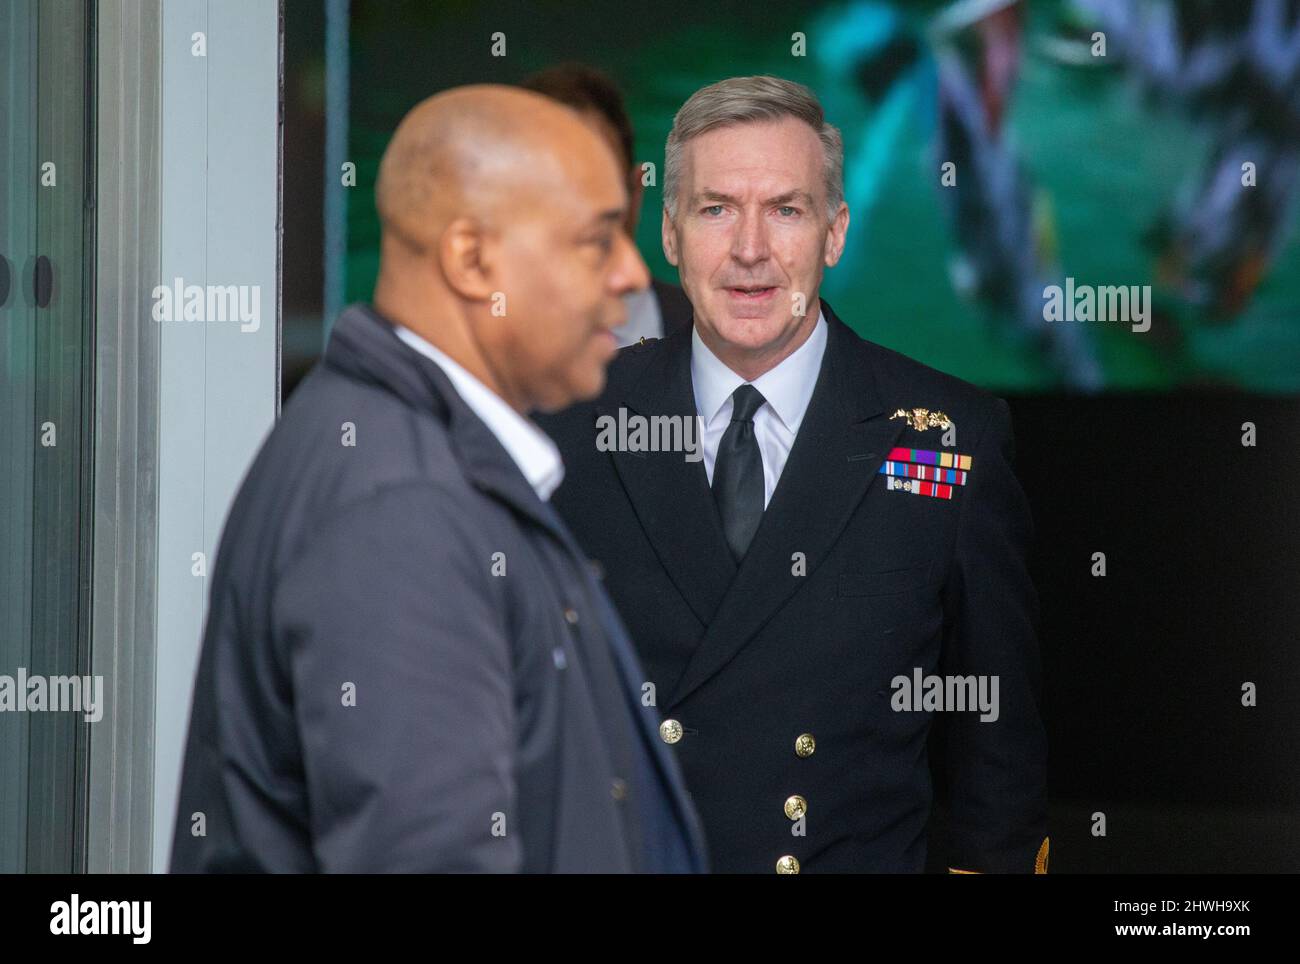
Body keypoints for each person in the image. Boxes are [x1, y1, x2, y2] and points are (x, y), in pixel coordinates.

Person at [170, 85, 707, 873]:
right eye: (596, 240)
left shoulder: (407, 453)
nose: (632, 272)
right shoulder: (403, 508)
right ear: (471, 258)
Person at [540, 75, 1048, 873]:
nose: (750, 251)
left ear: (835, 233)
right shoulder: (570, 428)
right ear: (669, 236)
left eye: (786, 209)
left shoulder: (948, 441)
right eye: (716, 210)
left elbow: (996, 759)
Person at [522, 63, 693, 346]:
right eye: (546, 197)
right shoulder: (464, 355)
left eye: (599, 193)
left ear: (635, 194)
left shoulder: (719, 335)